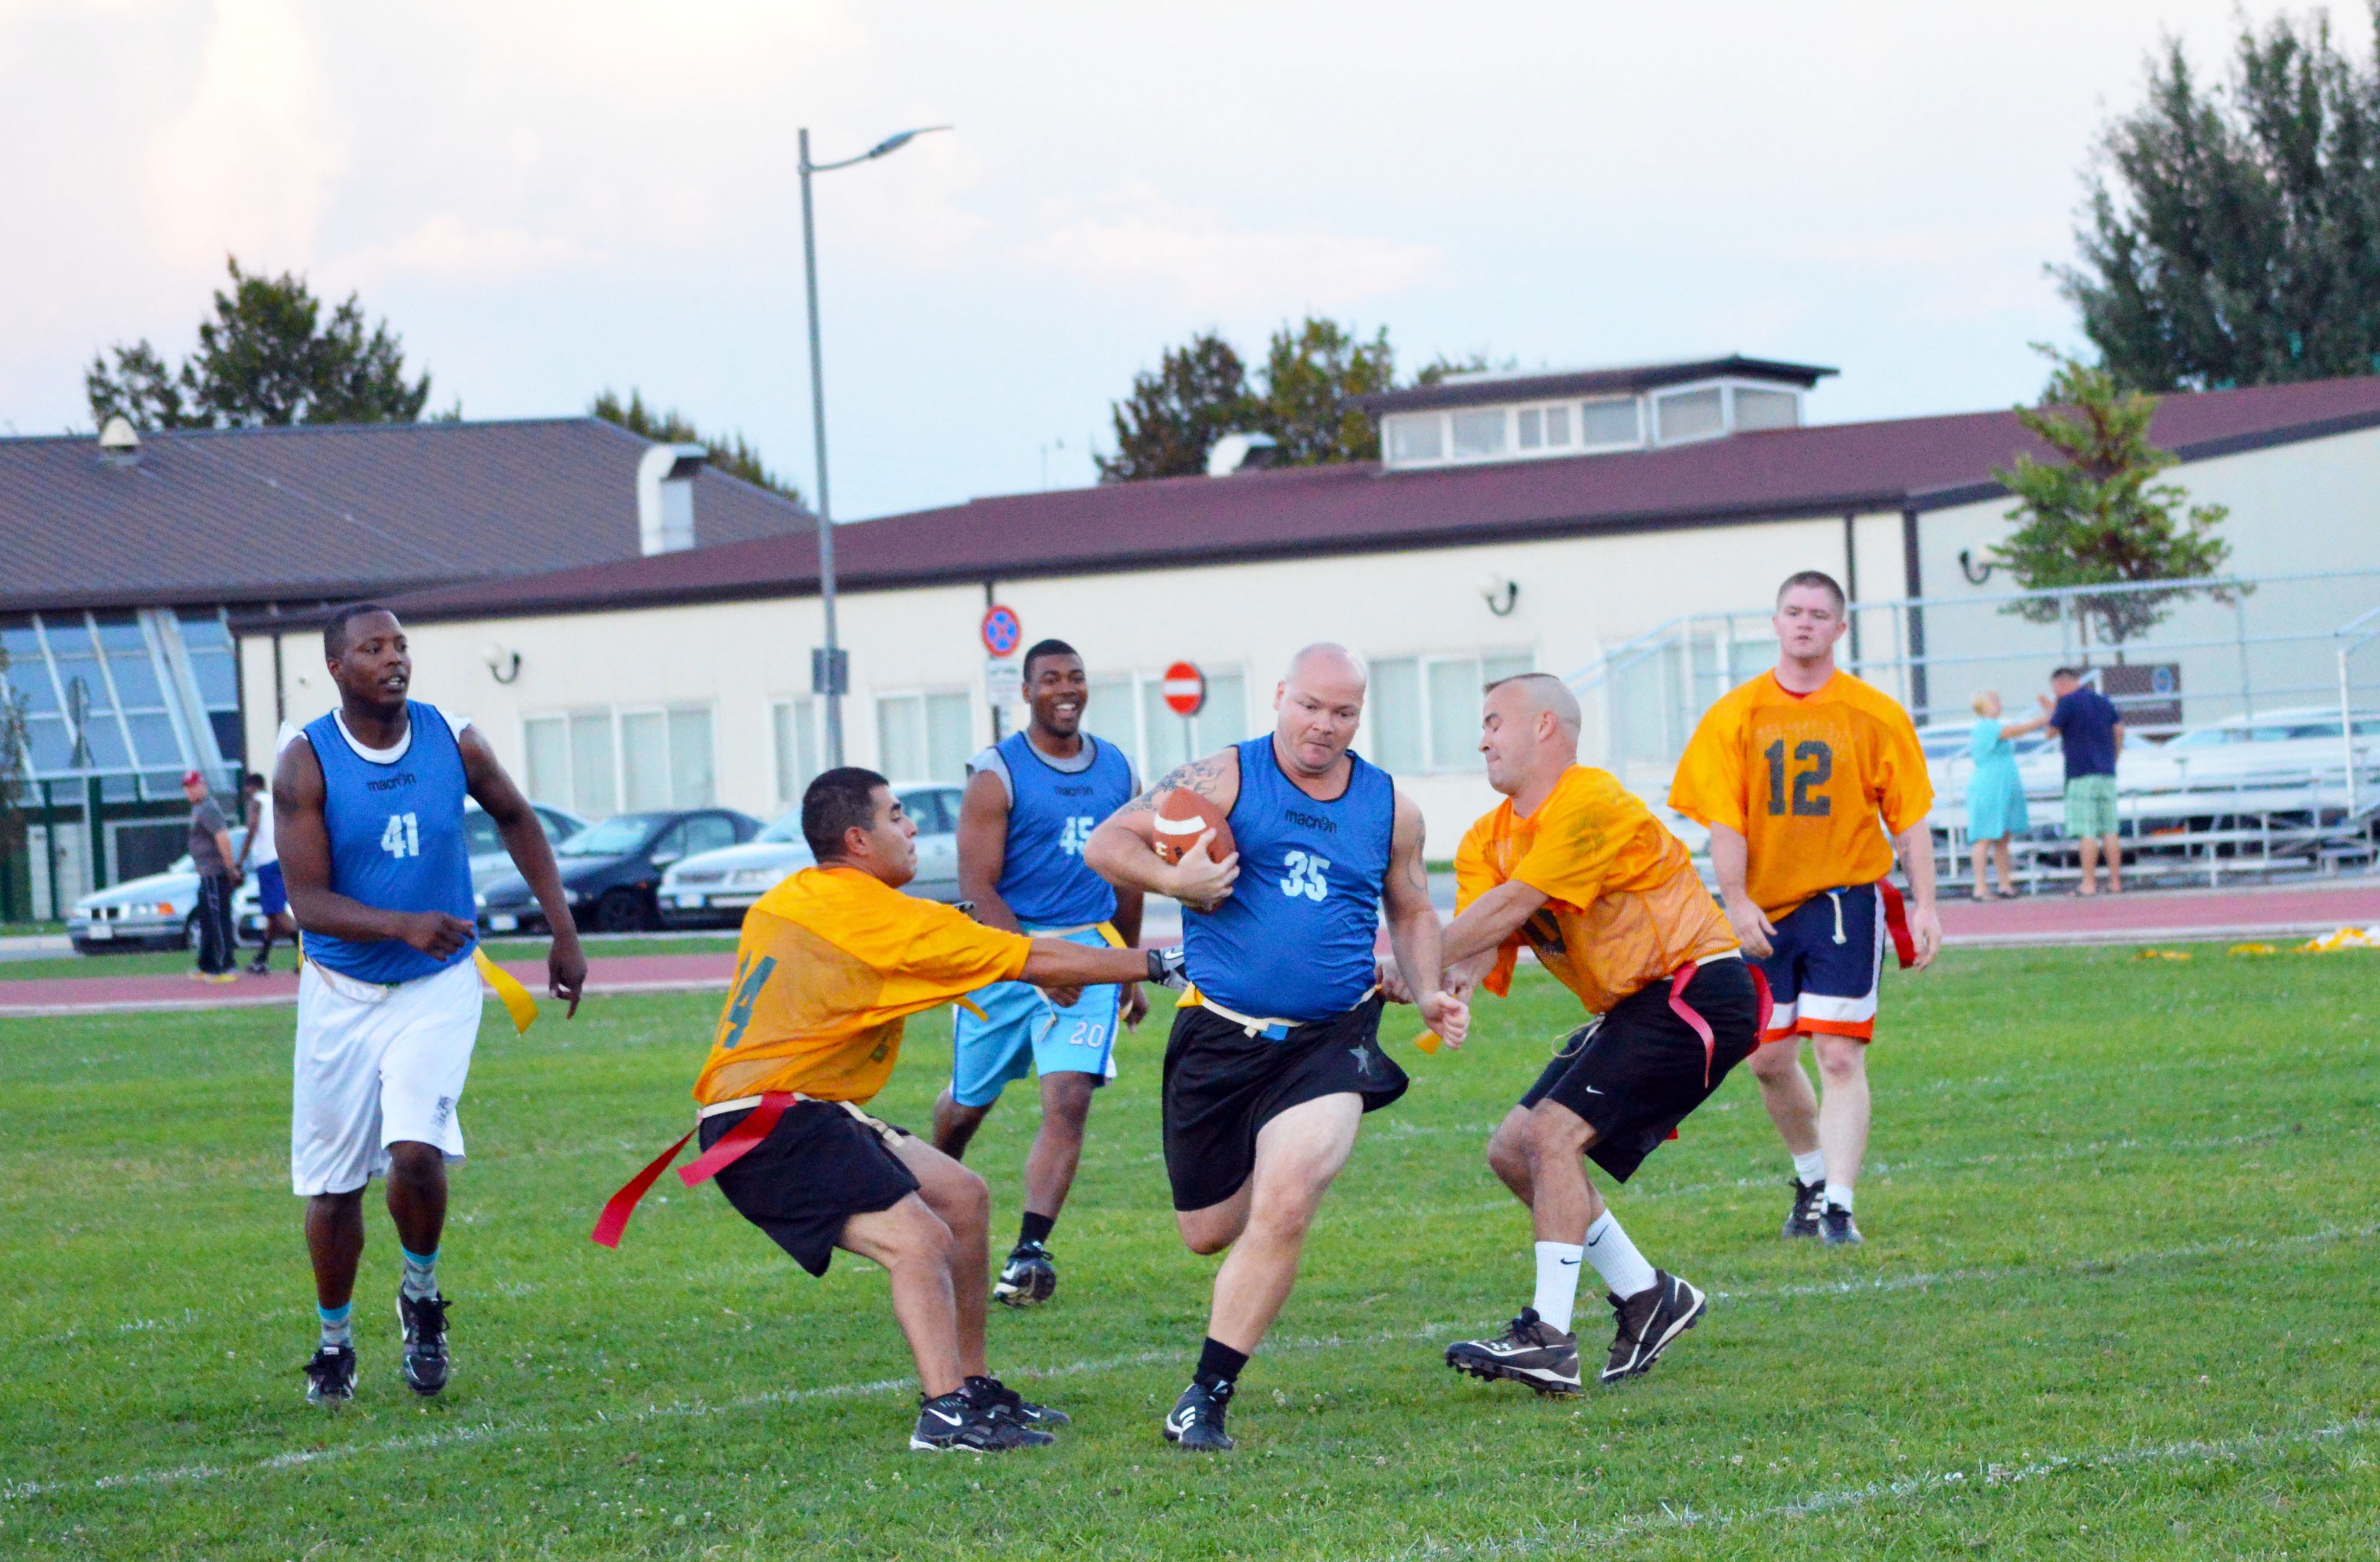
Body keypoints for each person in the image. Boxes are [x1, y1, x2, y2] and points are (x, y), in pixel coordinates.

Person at [595, 768, 1179, 1453]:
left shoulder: (799, 897)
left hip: (800, 1110)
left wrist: (1017, 963)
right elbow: (1022, 954)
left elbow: (903, 960)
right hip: (769, 1126)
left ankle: (971, 1385)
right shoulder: (868, 912)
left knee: (962, 1196)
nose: (912, 827)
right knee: (918, 1239)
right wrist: (1162, 963)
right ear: (857, 839)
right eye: (897, 814)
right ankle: (945, 1415)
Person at [1085, 643, 1467, 1452]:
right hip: (1219, 1034)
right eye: (1310, 706)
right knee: (1205, 1230)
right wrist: (1176, 882)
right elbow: (1107, 842)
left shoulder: (1390, 807)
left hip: (1331, 1040)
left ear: (1359, 715)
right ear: (1280, 697)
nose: (1324, 725)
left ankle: (1205, 1397)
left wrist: (1428, 987)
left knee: (1288, 1200)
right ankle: (1264, 1164)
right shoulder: (1223, 776)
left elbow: (1412, 908)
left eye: (1343, 712)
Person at [276, 604, 588, 1406]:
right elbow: (307, 902)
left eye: (401, 645)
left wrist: (562, 929)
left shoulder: (455, 738)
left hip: (438, 984)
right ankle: (335, 1340)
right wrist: (400, 922)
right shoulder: (305, 759)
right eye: (373, 648)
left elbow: (517, 817)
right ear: (337, 667)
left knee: (416, 1153)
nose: (394, 659)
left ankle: (420, 1298)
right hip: (341, 993)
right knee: (333, 1189)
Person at [1431, 674, 1761, 1394]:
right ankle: (1647, 1294)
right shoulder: (1486, 837)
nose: (1482, 739)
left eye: (1494, 721)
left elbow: (1517, 902)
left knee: (1551, 1136)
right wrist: (1447, 986)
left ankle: (1548, 1338)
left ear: (1545, 725)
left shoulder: (1591, 800)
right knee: (1512, 1150)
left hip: (1696, 988)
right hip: (1640, 1002)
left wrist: (1412, 957)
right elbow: (1486, 934)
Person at [1669, 570, 1940, 1248]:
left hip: (1843, 899)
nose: (1805, 623)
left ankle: (1840, 1207)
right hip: (1764, 904)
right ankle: (1813, 1178)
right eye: (1793, 611)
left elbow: (1910, 819)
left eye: (1819, 614)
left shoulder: (1873, 713)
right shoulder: (1737, 713)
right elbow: (1725, 821)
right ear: (1775, 621)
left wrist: (1928, 904)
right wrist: (1734, 901)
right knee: (1766, 1059)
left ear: (1840, 628)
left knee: (1840, 1055)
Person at [930, 639, 1145, 1309]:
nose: (1065, 689)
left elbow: (1129, 875)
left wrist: (1128, 966)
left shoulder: (1119, 768)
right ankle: (932, 1197)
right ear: (1026, 692)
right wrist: (1032, 964)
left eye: (1075, 677)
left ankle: (1028, 1252)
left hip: (1088, 949)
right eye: (1050, 678)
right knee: (967, 1105)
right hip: (1006, 949)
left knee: (1070, 1096)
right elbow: (978, 886)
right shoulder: (996, 774)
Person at [2043, 667, 2125, 896]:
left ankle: (2089, 884)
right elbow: (2119, 730)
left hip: (2081, 774)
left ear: (2060, 684)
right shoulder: (2102, 700)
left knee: (2087, 831)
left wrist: (2051, 709)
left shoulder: (2067, 702)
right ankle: (2115, 882)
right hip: (2106, 773)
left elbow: (2050, 732)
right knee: (2110, 830)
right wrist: (2114, 758)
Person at [1963, 692, 2044, 899]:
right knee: (1984, 836)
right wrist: (2044, 719)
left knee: (2003, 837)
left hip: (2004, 785)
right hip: (1990, 786)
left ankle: (2004, 884)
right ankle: (1980, 887)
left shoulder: (1995, 725)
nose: (1999, 704)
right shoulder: (1986, 727)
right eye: (1994, 701)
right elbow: (2016, 731)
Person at [235, 770, 298, 973]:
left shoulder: (256, 802)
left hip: (267, 862)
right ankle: (262, 959)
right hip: (281, 859)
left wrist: (240, 861)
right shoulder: (274, 802)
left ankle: (308, 955)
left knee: (277, 912)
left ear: (250, 787)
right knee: (272, 916)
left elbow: (252, 828)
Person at [182, 769, 241, 984]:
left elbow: (222, 837)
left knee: (218, 920)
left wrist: (230, 868)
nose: (189, 791)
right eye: (187, 787)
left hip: (215, 873)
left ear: (203, 786)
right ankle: (207, 964)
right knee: (207, 919)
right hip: (206, 874)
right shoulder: (198, 808)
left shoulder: (208, 809)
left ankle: (226, 965)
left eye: (192, 786)